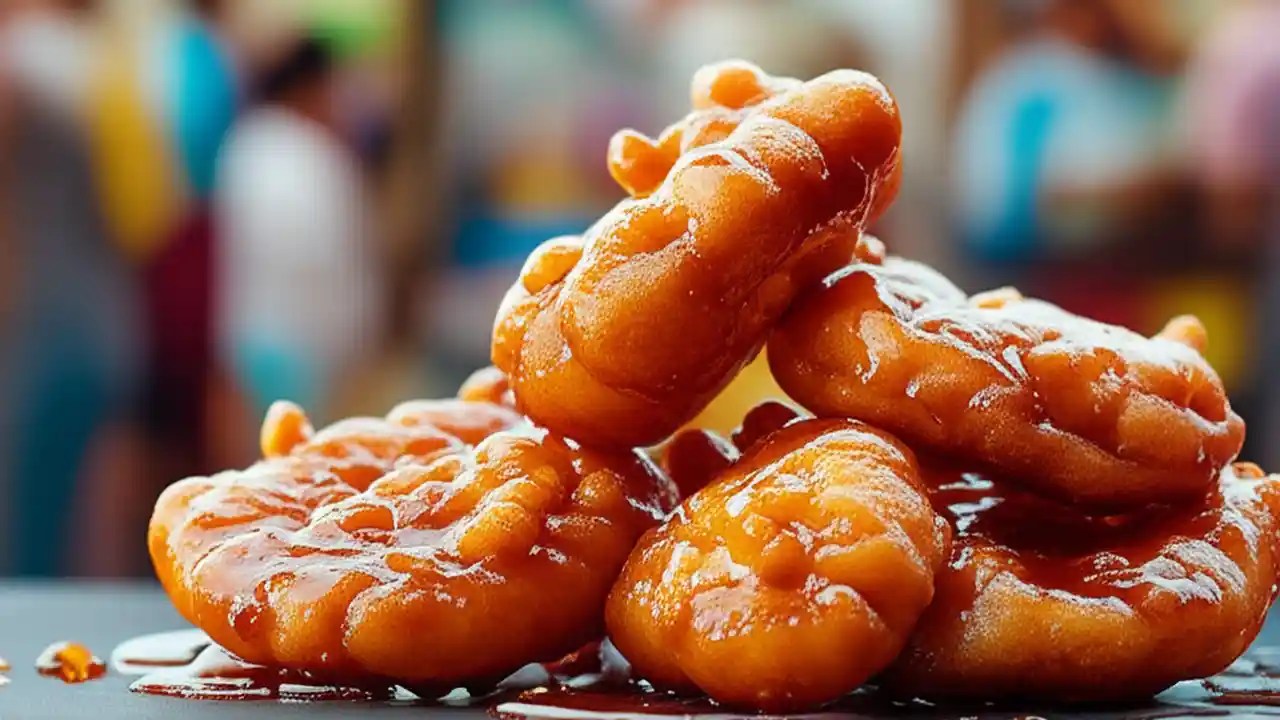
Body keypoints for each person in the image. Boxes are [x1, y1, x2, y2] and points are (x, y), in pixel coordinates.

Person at [215, 37, 381, 426]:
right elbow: (340, 264)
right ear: (311, 87)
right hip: (312, 349)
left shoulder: (245, 143)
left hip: (249, 338)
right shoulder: (319, 156)